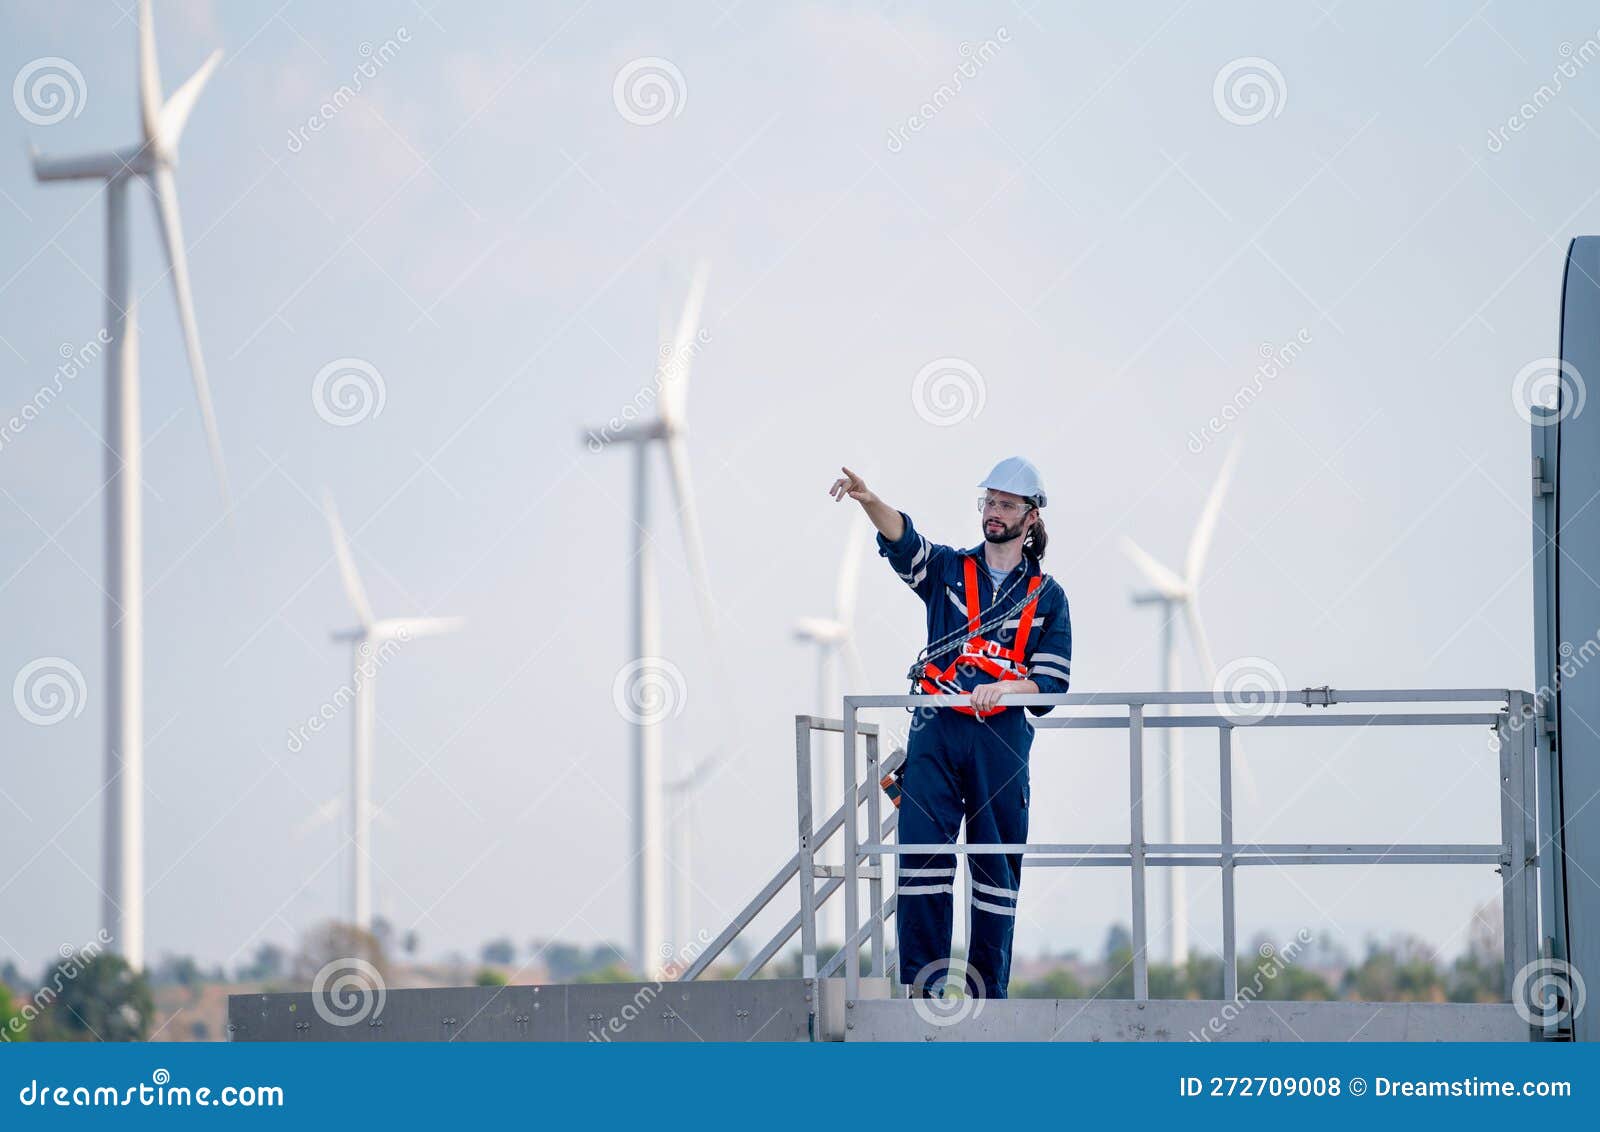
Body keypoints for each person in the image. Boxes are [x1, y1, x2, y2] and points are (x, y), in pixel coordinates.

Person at [828, 457, 1071, 1001]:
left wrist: (1007, 688)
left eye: (1007, 505)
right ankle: (923, 994)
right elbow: (904, 542)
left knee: (996, 873)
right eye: (989, 501)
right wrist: (869, 499)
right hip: (935, 733)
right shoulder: (947, 571)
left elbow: (1052, 684)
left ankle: (990, 1001)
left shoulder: (1048, 596)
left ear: (1030, 518)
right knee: (922, 862)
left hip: (1000, 742)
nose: (994, 512)